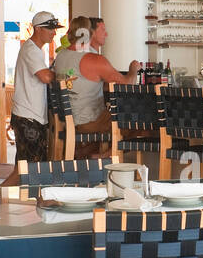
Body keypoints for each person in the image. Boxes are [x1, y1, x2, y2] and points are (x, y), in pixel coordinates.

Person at [54, 16, 140, 154]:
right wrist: (133, 70)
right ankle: (105, 156)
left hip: (66, 119)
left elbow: (81, 83)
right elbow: (127, 86)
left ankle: (87, 154)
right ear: (90, 34)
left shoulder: (61, 56)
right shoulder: (94, 59)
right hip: (88, 122)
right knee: (138, 119)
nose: (106, 34)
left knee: (115, 118)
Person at [9, 10, 61, 172]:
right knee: (31, 168)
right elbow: (45, 77)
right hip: (28, 117)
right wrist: (61, 73)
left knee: (25, 168)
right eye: (50, 28)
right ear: (38, 29)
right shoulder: (31, 49)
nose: (54, 33)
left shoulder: (38, 50)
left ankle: (0, 195)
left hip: (30, 116)